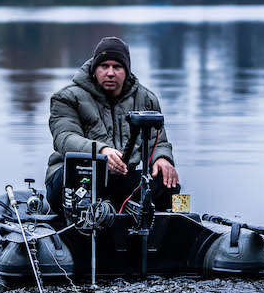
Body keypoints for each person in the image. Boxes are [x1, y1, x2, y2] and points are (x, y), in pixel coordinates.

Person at [45, 36, 180, 215]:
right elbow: (65, 138)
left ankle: (151, 231)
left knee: (166, 181)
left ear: (126, 71)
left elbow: (158, 141)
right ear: (94, 70)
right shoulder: (66, 98)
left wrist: (162, 159)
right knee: (77, 178)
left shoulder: (146, 100)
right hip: (76, 176)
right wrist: (100, 153)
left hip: (122, 179)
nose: (110, 73)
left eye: (117, 67)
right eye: (104, 66)